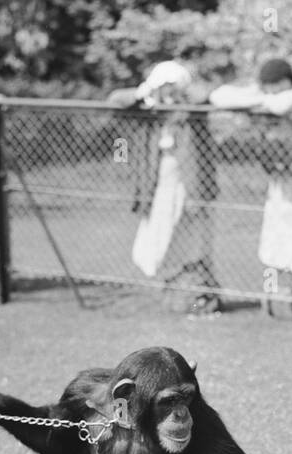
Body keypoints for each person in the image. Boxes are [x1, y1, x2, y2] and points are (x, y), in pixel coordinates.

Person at [210, 58, 292, 325]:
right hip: (286, 180)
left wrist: (259, 100)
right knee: (284, 242)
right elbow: (219, 96)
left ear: (288, 80)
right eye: (266, 87)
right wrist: (260, 97)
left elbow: (284, 105)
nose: (271, 92)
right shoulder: (265, 93)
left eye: (276, 86)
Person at [110, 60, 222, 316]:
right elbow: (115, 99)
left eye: (173, 87)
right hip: (158, 187)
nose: (168, 93)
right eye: (164, 87)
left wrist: (181, 90)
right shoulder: (148, 111)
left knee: (192, 240)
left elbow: (207, 95)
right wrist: (145, 92)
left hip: (191, 187)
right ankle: (175, 289)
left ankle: (197, 297)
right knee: (156, 241)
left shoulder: (191, 112)